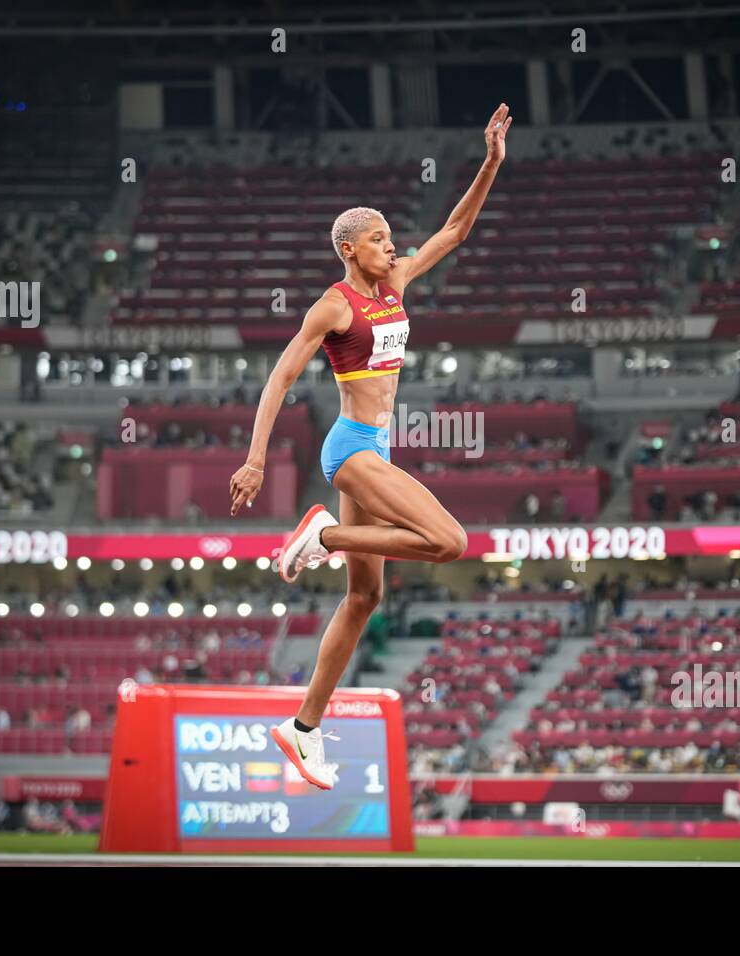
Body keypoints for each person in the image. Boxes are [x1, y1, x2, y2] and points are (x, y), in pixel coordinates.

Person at [228, 103, 512, 790]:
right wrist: (257, 458)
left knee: (362, 602)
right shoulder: (333, 306)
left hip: (375, 450)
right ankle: (321, 538)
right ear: (348, 248)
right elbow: (281, 377)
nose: (393, 247)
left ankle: (302, 729)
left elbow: (453, 230)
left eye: (391, 239)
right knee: (450, 543)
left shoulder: (395, 285)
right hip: (350, 450)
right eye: (380, 240)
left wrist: (491, 163)